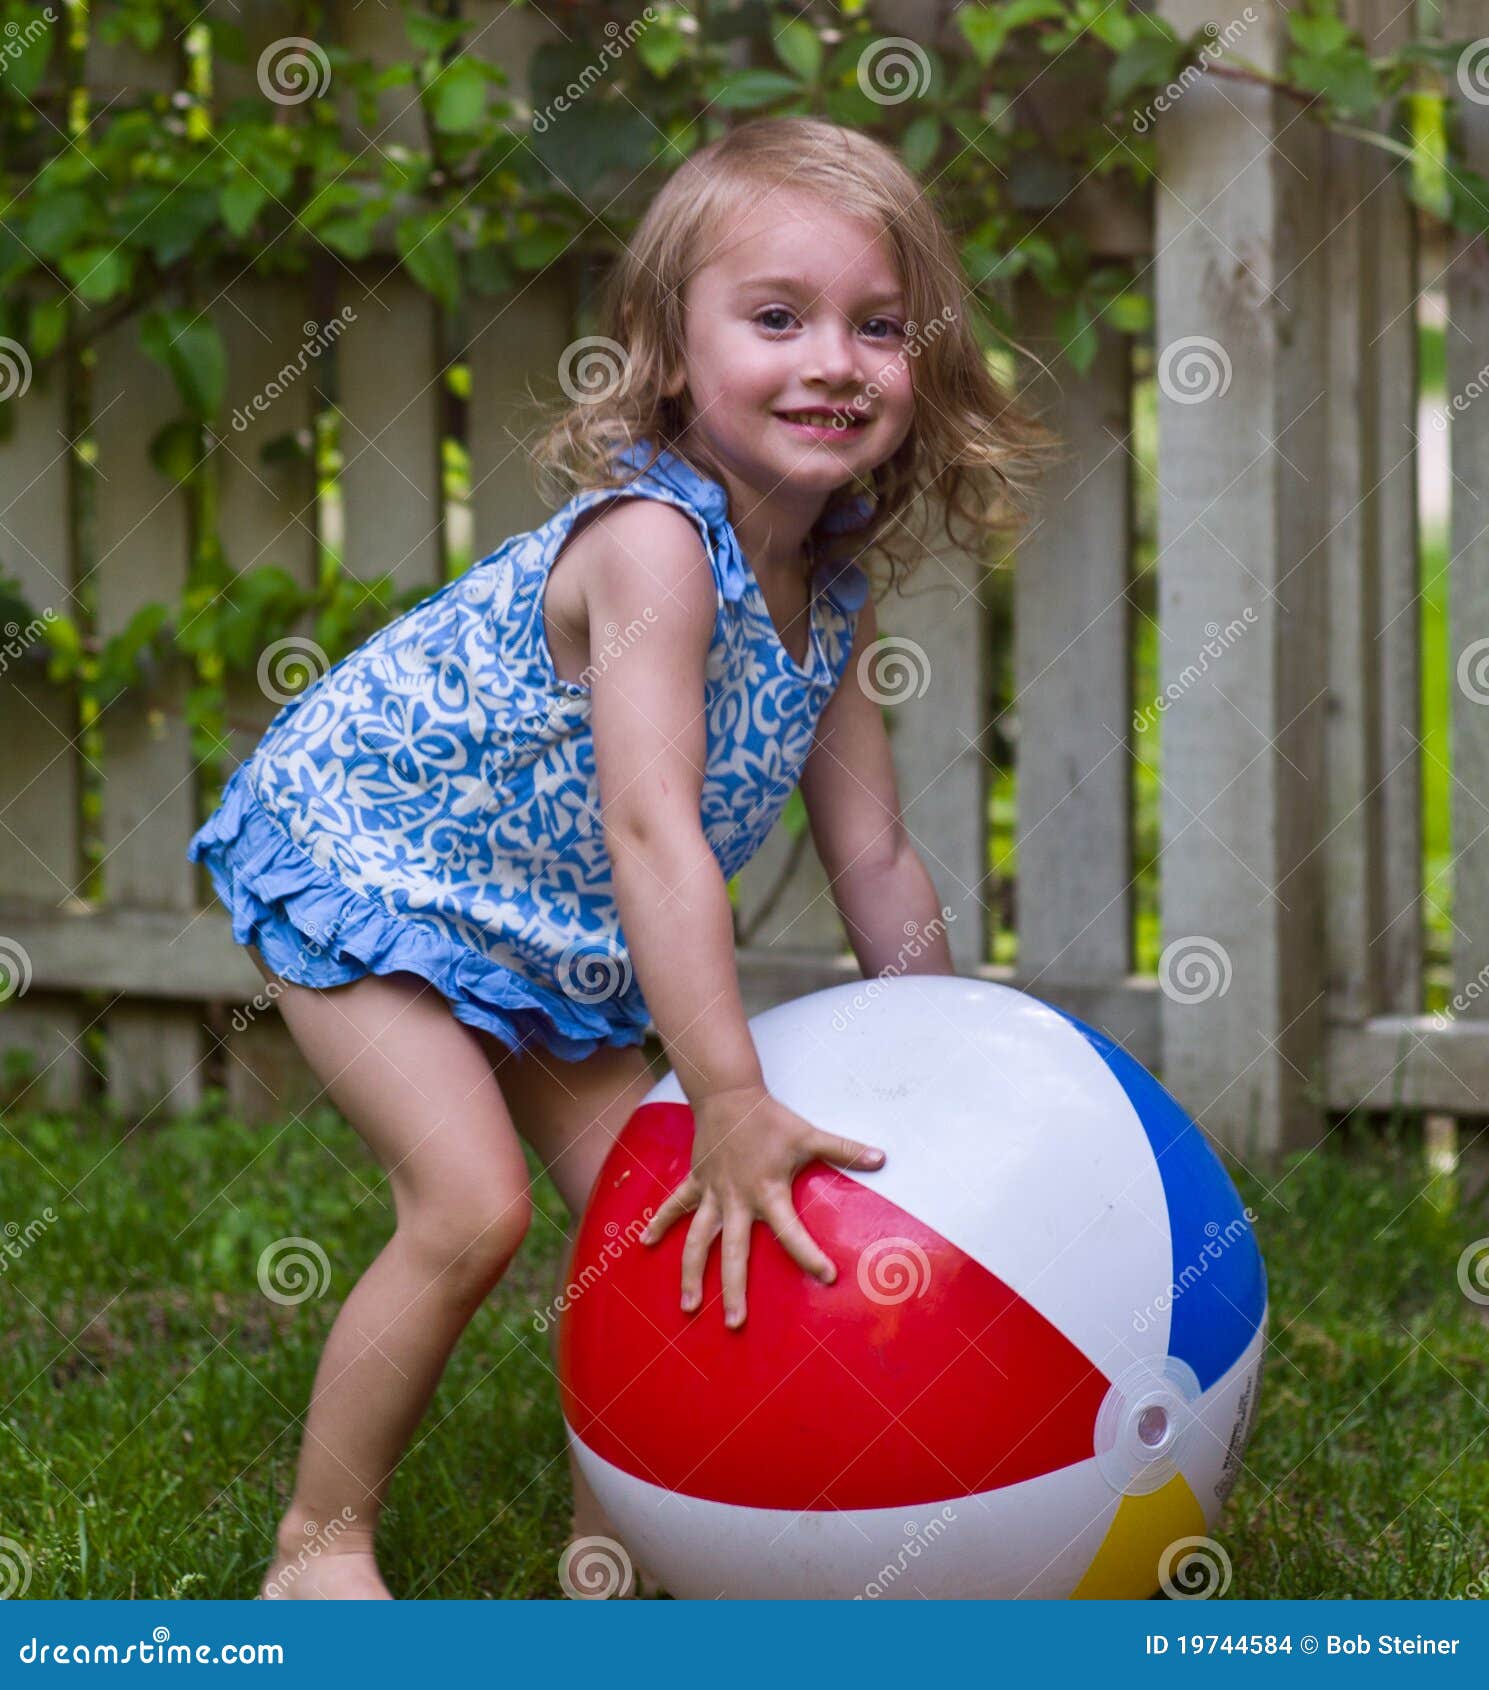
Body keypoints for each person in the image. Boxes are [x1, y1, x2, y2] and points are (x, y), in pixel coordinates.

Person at [187, 114, 1053, 1600]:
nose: (832, 359)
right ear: (666, 349)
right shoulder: (653, 545)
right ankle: (314, 1547)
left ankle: (633, 1526)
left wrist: (948, 1060)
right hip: (369, 872)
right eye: (776, 318)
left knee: (646, 1234)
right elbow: (650, 831)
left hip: (542, 938)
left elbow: (879, 859)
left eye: (879, 325)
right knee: (472, 1208)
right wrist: (723, 1090)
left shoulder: (827, 586)